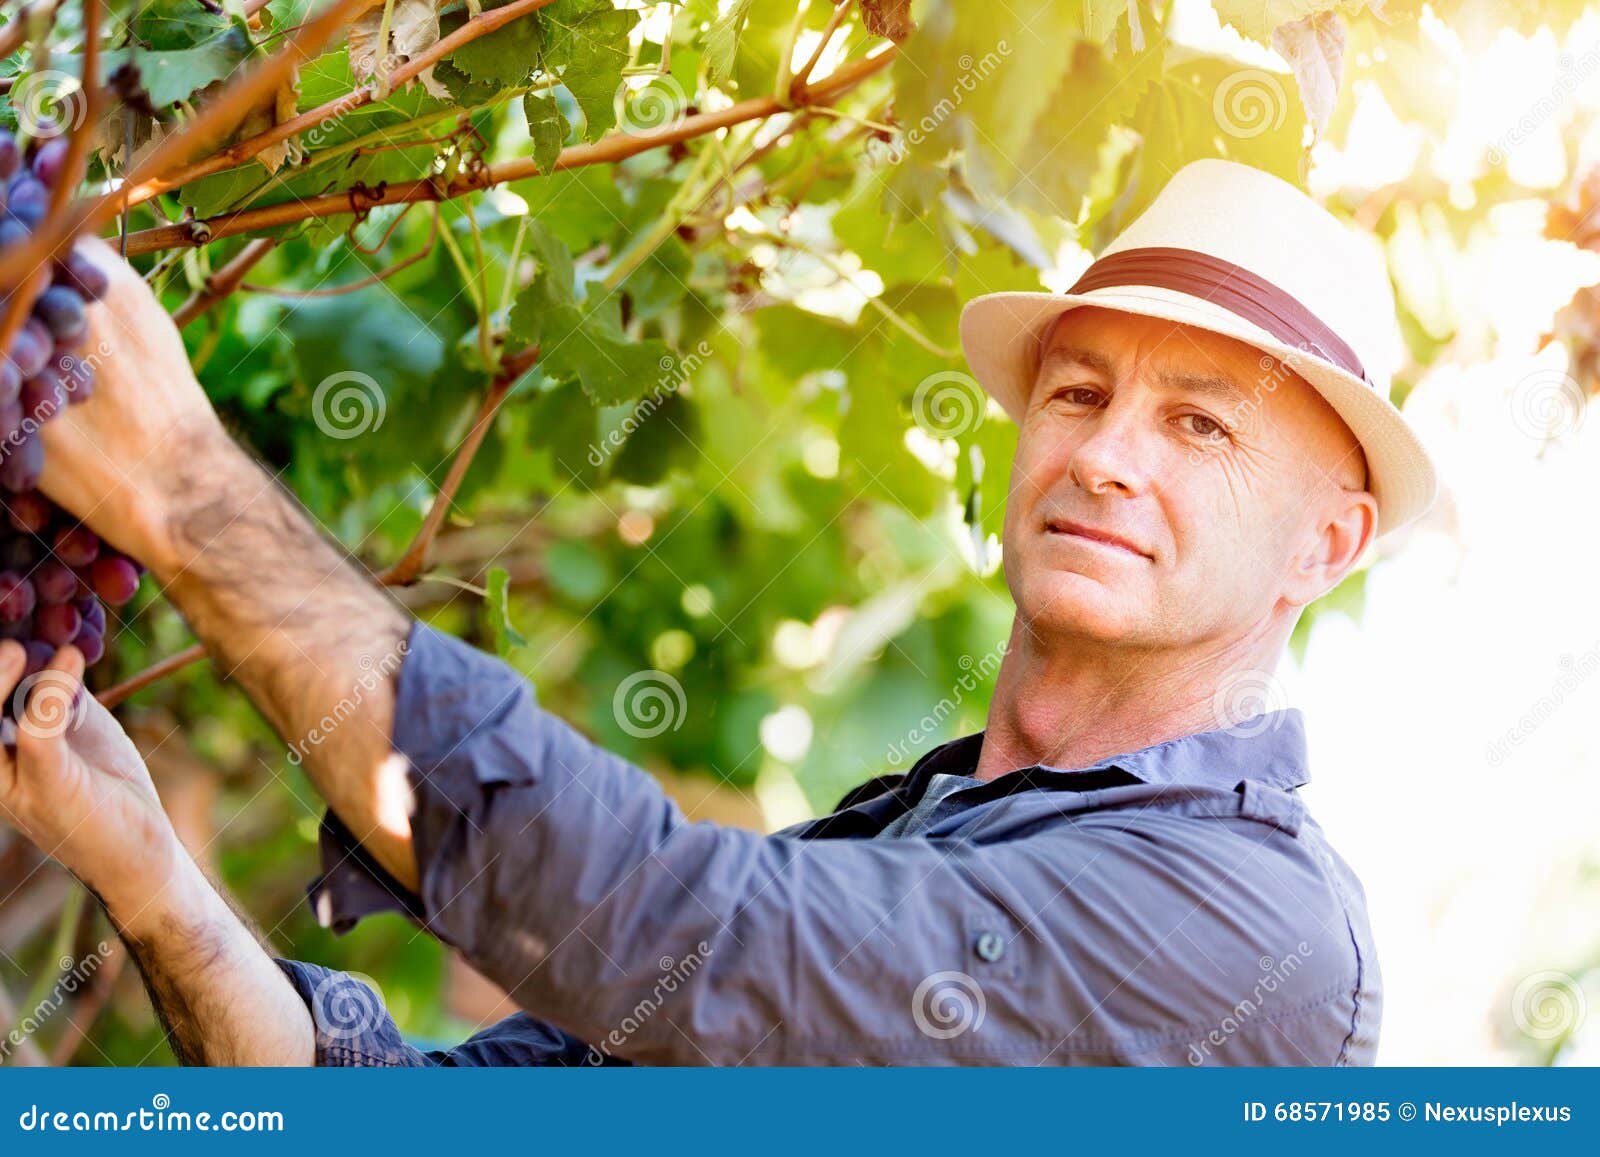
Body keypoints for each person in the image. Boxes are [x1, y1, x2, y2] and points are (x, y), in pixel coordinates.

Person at [0, 159, 1435, 1066]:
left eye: (1203, 425)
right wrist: (144, 873)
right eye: (1080, 391)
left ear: (1328, 542)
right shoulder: (909, 836)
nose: (1109, 452)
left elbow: (699, 941)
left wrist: (189, 494)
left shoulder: (1253, 935)